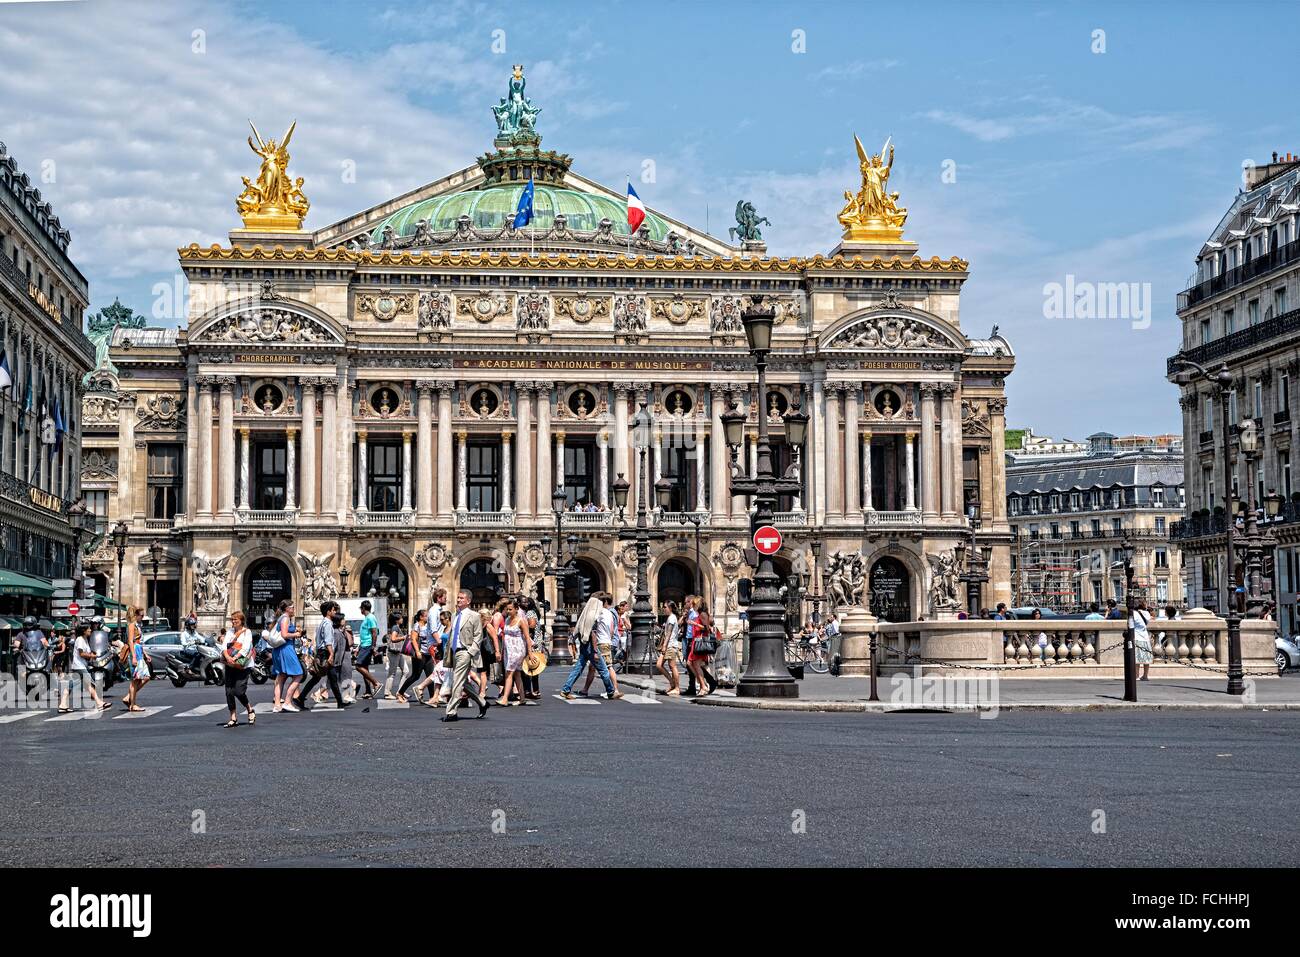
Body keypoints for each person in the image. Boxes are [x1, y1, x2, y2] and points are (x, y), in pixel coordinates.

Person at [560, 593, 619, 700]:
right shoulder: (594, 617)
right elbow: (593, 634)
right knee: (604, 670)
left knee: (577, 669)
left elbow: (577, 630)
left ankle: (566, 689)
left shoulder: (585, 615)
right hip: (591, 647)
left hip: (584, 644)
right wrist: (596, 651)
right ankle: (611, 691)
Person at [442, 590, 489, 722]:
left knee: (456, 681)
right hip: (454, 651)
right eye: (457, 597)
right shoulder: (454, 615)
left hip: (465, 651)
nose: (458, 600)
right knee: (462, 682)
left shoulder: (474, 616)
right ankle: (482, 703)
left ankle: (451, 712)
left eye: (461, 598)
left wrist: (470, 652)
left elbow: (478, 635)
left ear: (468, 601)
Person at [295, 601, 348, 710]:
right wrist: (332, 654)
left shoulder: (322, 623)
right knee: (331, 677)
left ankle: (301, 698)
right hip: (326, 653)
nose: (335, 612)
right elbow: (328, 641)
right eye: (333, 610)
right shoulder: (328, 624)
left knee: (318, 677)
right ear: (328, 612)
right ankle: (340, 702)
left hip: (321, 652)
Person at [581, 596, 623, 698]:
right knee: (593, 667)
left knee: (608, 667)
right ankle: (585, 689)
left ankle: (615, 690)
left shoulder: (600, 612)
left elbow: (592, 626)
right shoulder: (611, 613)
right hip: (607, 641)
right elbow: (613, 630)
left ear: (603, 602)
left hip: (600, 642)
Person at [220, 610, 256, 727]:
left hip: (242, 665)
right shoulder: (230, 632)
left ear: (241, 621)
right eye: (232, 619)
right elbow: (224, 646)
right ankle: (233, 717)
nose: (233, 621)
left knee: (239, 691)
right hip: (230, 664)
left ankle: (249, 709)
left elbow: (246, 648)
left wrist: (234, 657)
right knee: (229, 691)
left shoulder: (247, 632)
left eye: (236, 619)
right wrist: (227, 657)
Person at [270, 599, 303, 713]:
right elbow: (284, 634)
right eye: (293, 607)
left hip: (279, 650)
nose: (294, 609)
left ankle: (277, 705)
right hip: (286, 649)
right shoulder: (285, 618)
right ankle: (288, 702)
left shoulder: (281, 618)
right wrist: (296, 634)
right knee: (298, 674)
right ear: (287, 608)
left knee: (281, 677)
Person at [70, 622, 110, 712]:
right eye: (89, 629)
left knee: (70, 686)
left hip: (80, 666)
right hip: (79, 666)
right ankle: (99, 703)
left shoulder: (85, 639)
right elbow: (81, 653)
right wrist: (92, 656)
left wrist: (92, 653)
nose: (90, 630)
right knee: (90, 684)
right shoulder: (80, 639)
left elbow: (86, 652)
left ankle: (62, 705)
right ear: (84, 631)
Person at [498, 600, 531, 707]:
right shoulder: (507, 619)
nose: (508, 611)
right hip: (508, 650)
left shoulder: (521, 621)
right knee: (516, 673)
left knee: (509, 673)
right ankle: (522, 698)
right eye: (507, 609)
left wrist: (530, 652)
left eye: (510, 609)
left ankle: (505, 698)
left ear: (516, 609)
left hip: (517, 650)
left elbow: (527, 637)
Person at [400, 609, 436, 702]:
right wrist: (417, 652)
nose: (428, 617)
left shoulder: (428, 626)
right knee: (415, 676)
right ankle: (400, 693)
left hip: (428, 654)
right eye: (426, 616)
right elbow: (413, 639)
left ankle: (432, 698)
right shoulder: (417, 626)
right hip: (420, 654)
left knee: (430, 676)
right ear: (421, 617)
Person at [121, 606, 151, 712]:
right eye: (141, 615)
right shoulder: (131, 625)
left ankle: (128, 697)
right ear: (136, 615)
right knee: (135, 680)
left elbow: (138, 642)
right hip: (134, 653)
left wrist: (145, 654)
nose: (142, 617)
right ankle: (132, 704)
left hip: (138, 651)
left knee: (146, 677)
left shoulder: (137, 625)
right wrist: (134, 657)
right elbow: (130, 642)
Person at [16, 616, 49, 698]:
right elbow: (16, 643)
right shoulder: (21, 634)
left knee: (48, 665)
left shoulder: (38, 632)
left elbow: (44, 641)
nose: (27, 626)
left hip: (37, 653)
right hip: (25, 654)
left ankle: (52, 681)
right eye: (26, 624)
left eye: (29, 624)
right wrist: (17, 647)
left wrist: (48, 645)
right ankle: (21, 677)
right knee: (19, 663)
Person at [517, 595, 543, 701]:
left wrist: (521, 625)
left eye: (527, 602)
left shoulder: (530, 613)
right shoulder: (530, 612)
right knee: (532, 667)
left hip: (532, 643)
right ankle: (533, 690)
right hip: (533, 642)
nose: (526, 604)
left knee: (531, 667)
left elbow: (532, 625)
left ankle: (532, 690)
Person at [354, 600, 381, 699]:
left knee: (358, 666)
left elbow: (374, 632)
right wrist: (359, 647)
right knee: (364, 668)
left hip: (368, 645)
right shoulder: (367, 618)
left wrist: (373, 646)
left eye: (361, 608)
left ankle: (376, 683)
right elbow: (365, 634)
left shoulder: (370, 618)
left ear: (363, 608)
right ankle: (368, 691)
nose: (360, 610)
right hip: (364, 645)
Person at [656, 600, 681, 696]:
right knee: (659, 665)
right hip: (669, 645)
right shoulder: (671, 618)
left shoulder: (671, 618)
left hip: (670, 645)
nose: (664, 609)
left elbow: (669, 634)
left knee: (672, 666)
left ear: (670, 608)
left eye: (665, 607)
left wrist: (664, 646)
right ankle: (672, 683)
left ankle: (677, 688)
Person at [384, 612, 411, 699]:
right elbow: (393, 638)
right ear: (397, 620)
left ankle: (401, 691)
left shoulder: (397, 627)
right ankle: (387, 693)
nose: (402, 619)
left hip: (398, 652)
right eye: (401, 618)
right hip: (393, 653)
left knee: (406, 671)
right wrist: (404, 637)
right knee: (392, 673)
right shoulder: (395, 627)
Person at [1131, 597, 1154, 680]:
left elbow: (1130, 624)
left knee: (1137, 658)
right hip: (1145, 637)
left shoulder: (1133, 613)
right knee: (1146, 658)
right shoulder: (1147, 613)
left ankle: (1136, 675)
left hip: (1136, 636)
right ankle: (1145, 675)